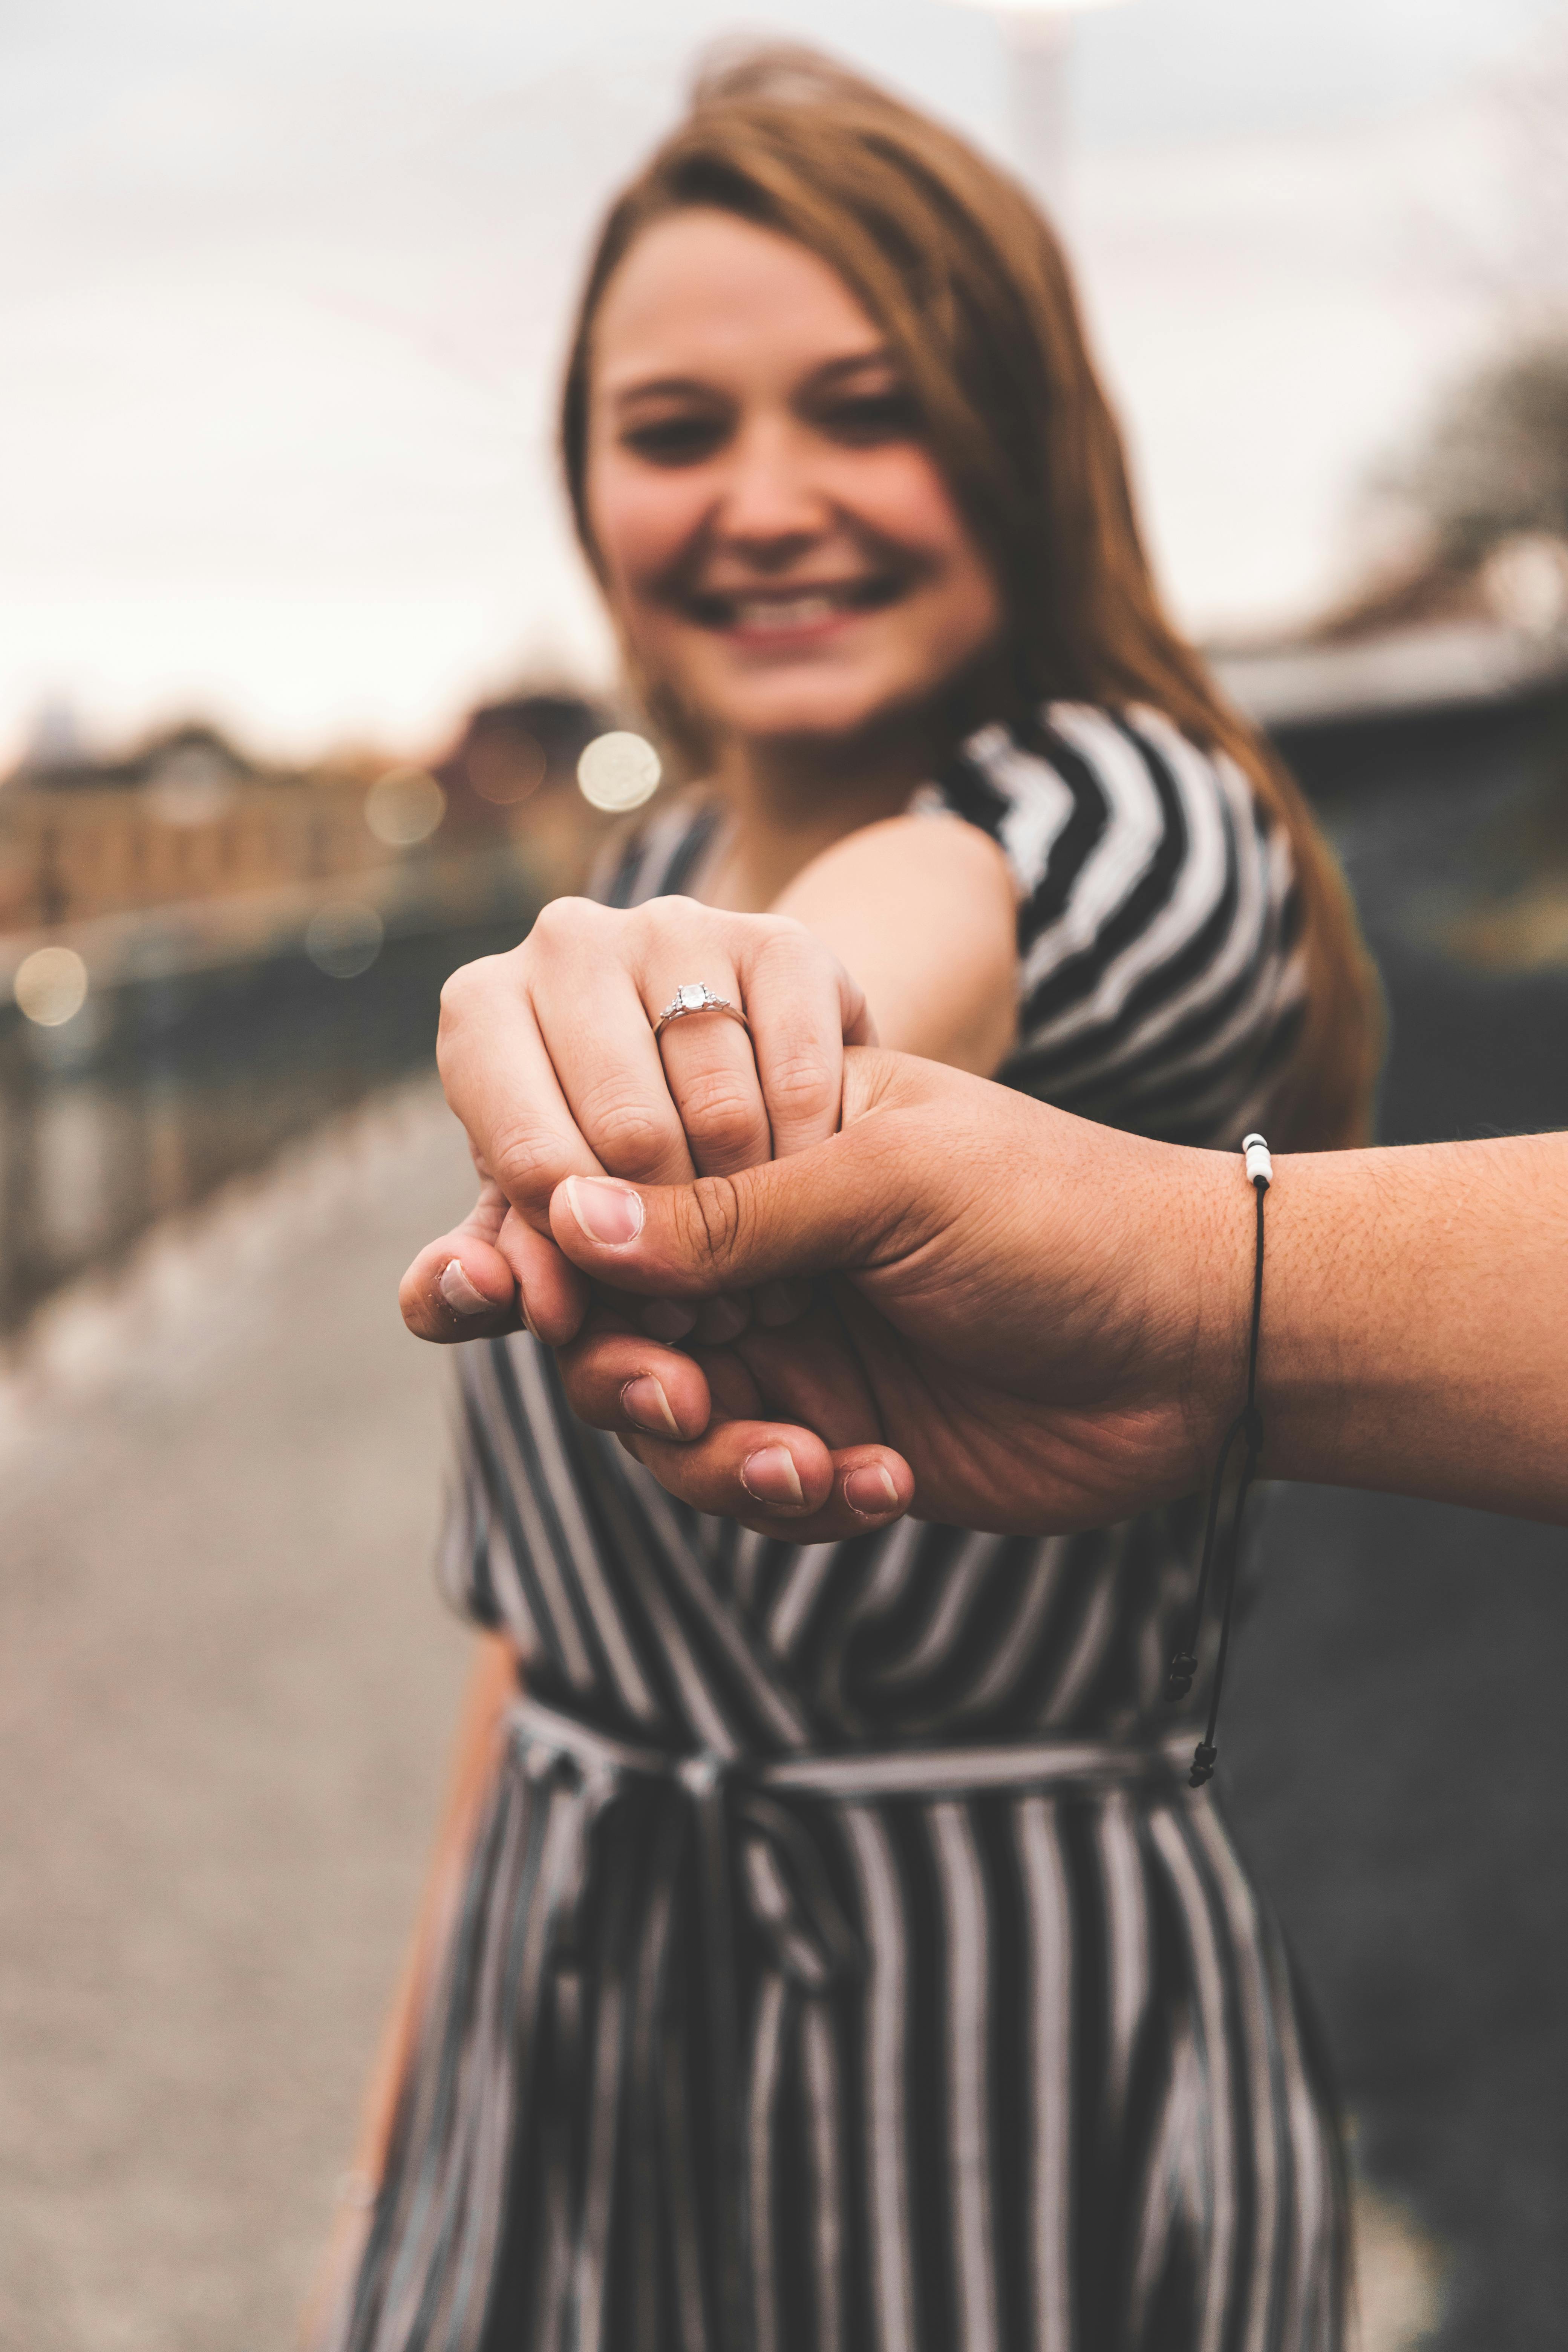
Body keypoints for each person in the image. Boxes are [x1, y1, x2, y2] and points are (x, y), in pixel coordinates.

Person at [345, 46, 1383, 2352]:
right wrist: (406, 2155)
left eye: (869, 408)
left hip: (1006, 2072)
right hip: (563, 2026)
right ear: (588, 483)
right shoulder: (628, 881)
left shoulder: (1142, 819)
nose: (770, 500)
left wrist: (748, 988)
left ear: (1024, 453)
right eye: (679, 429)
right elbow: (534, 1651)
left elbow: (936, 924)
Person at [527, 1054, 1568, 1535]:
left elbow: (929, 904)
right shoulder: (648, 865)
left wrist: (718, 1057)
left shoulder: (1105, 807)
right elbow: (553, 1594)